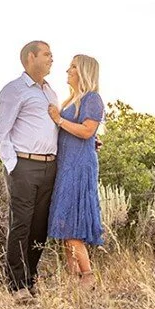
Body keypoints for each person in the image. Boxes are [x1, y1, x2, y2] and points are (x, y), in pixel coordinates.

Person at [0, 41, 59, 303]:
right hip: (24, 166)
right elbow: (1, 133)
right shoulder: (13, 90)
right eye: (47, 54)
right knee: (21, 224)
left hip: (49, 166)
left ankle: (30, 279)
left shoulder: (50, 92)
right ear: (31, 57)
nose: (52, 58)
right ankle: (17, 285)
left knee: (40, 227)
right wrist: (14, 166)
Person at [47, 54, 104, 289]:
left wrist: (58, 119)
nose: (68, 70)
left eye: (73, 67)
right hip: (66, 165)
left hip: (79, 167)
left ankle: (88, 276)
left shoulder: (92, 98)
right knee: (64, 223)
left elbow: (87, 131)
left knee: (71, 223)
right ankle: (73, 277)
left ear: (83, 72)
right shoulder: (72, 99)